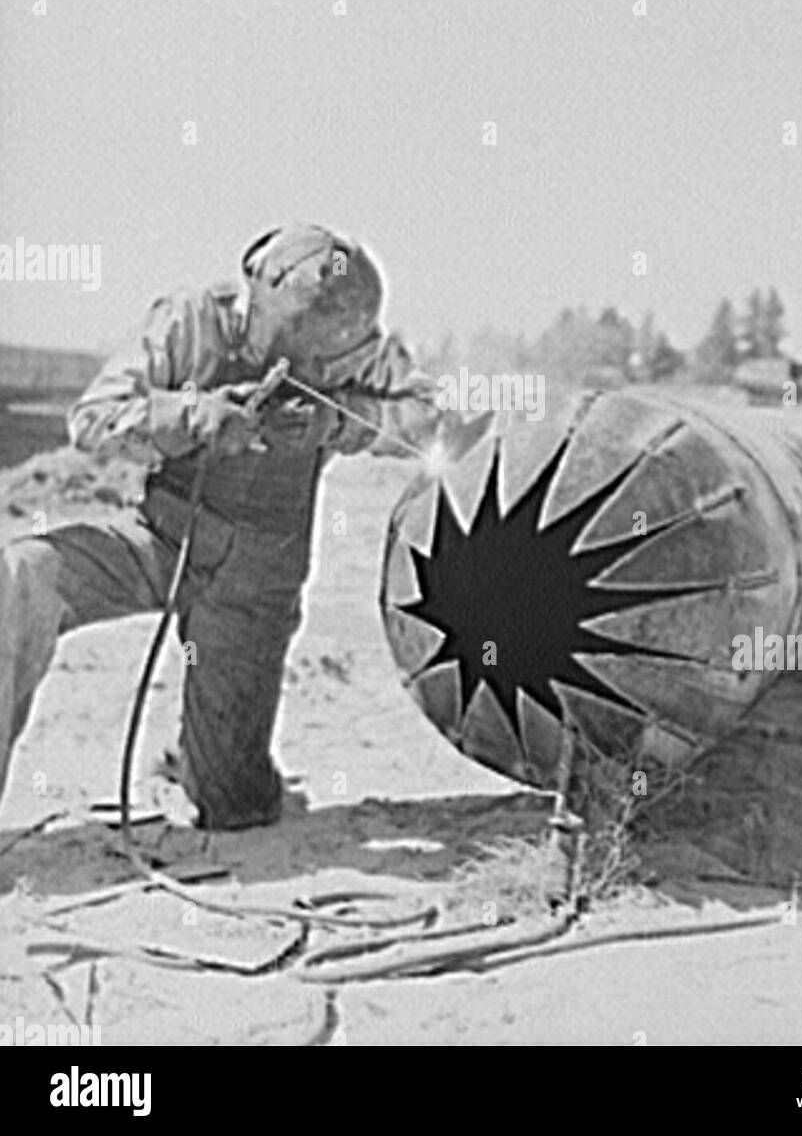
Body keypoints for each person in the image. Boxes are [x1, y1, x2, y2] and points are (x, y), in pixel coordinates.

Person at [0, 224, 481, 829]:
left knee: (236, 808)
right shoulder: (190, 321)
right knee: (22, 575)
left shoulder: (354, 342)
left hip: (256, 581)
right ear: (260, 298)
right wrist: (195, 414)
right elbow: (92, 421)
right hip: (160, 542)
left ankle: (199, 762)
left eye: (316, 361)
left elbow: (435, 422)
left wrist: (339, 422)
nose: (301, 367)